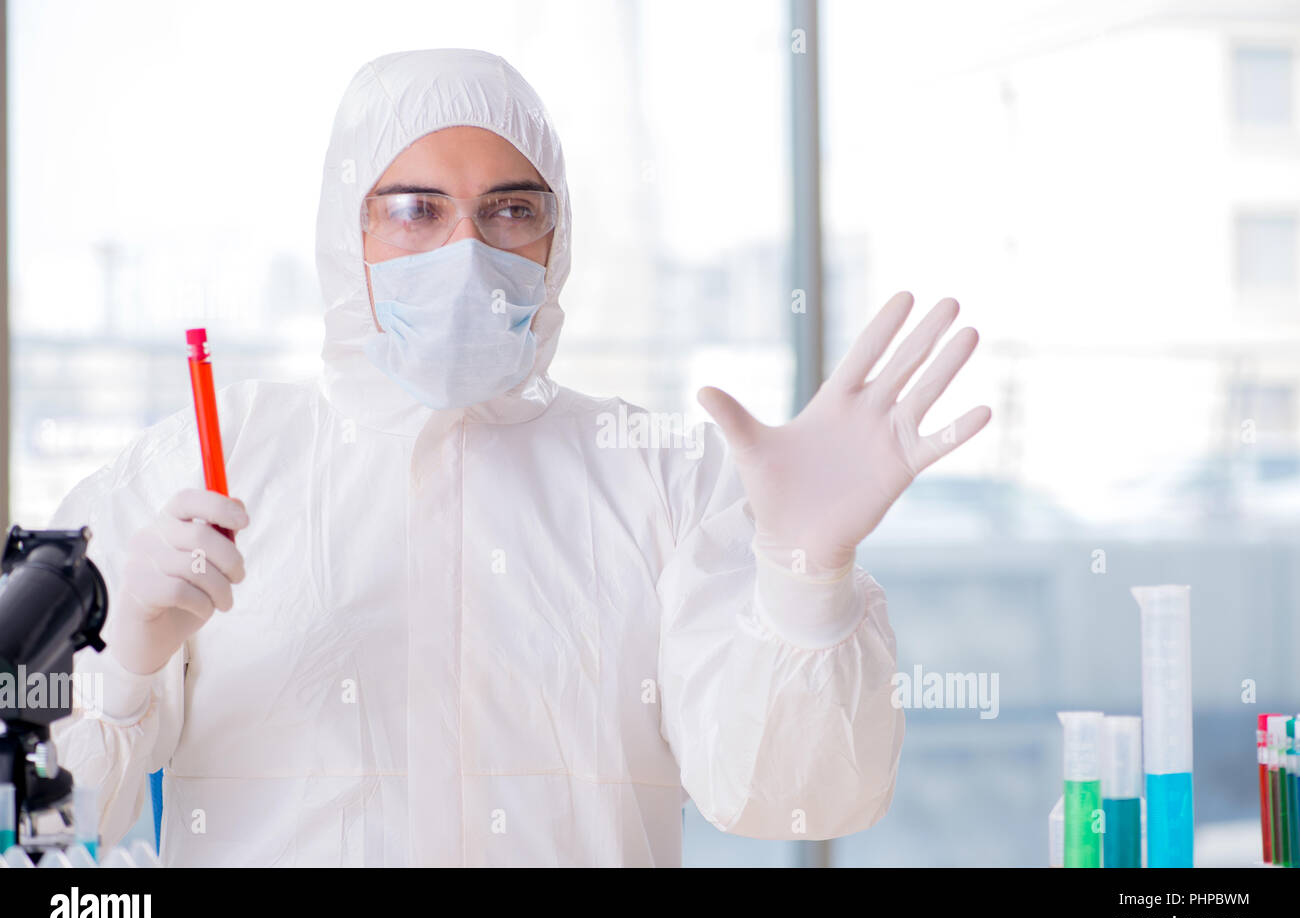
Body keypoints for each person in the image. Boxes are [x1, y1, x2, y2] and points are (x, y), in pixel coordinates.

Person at [49, 48, 991, 866]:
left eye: (509, 210)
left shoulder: (656, 477)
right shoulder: (215, 461)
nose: (465, 251)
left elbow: (794, 793)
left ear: (556, 235)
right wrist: (128, 658)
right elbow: (58, 823)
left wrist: (805, 580)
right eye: (415, 210)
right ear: (350, 235)